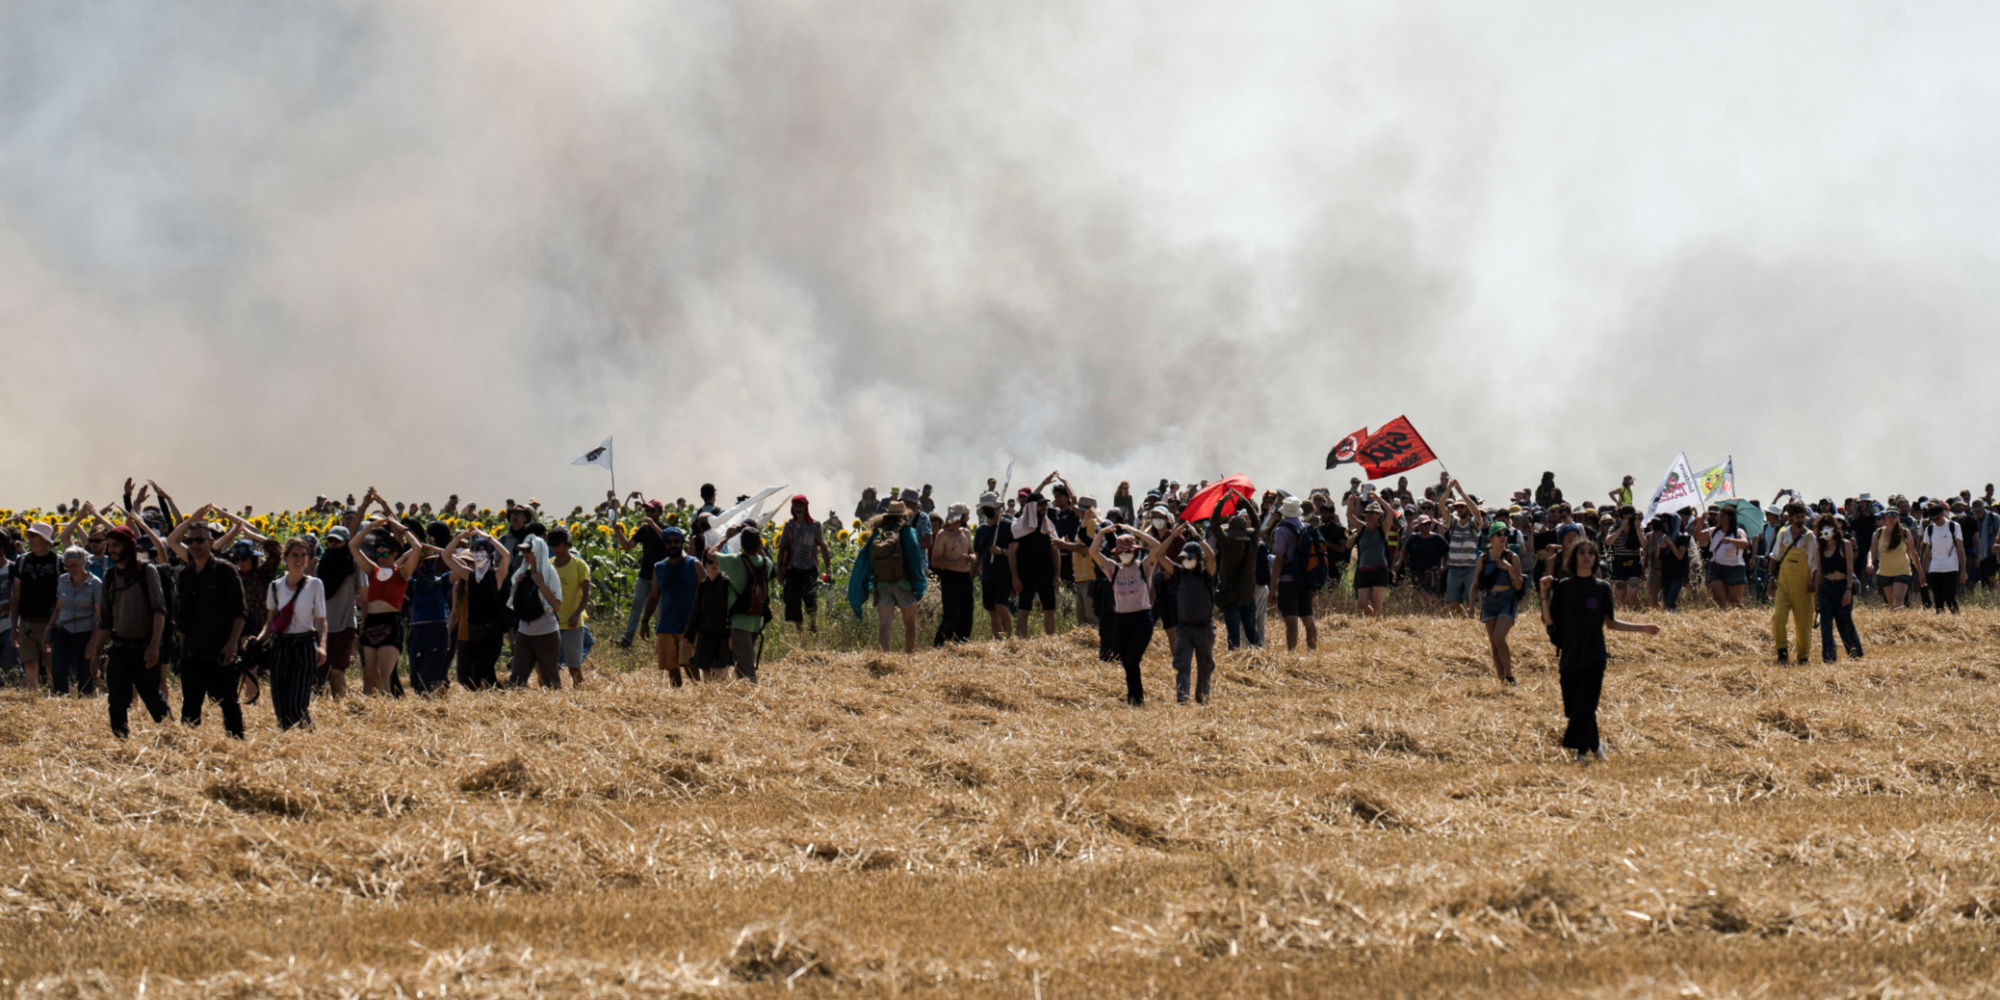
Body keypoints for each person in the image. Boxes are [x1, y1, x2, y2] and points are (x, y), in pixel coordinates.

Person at [1541, 542, 1661, 763]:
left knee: (1585, 704)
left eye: (1591, 553)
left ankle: (1581, 753)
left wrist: (1642, 628)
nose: (1586, 556)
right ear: (1574, 558)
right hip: (1569, 654)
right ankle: (1596, 746)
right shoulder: (1564, 587)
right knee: (1574, 708)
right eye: (1581, 553)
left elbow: (1611, 623)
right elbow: (1549, 621)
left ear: (1596, 559)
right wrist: (1543, 594)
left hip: (1595, 655)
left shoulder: (1602, 588)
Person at [87, 526, 172, 739]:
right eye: (109, 545)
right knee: (117, 700)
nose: (111, 550)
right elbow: (105, 620)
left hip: (145, 648)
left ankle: (172, 737)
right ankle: (121, 742)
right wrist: (97, 653)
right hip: (120, 648)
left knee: (152, 698)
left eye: (115, 545)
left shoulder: (147, 572)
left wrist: (154, 646)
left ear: (129, 546)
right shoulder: (109, 576)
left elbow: (159, 611)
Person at [167, 516, 247, 737]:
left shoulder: (226, 571)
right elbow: (183, 619)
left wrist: (232, 644)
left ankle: (237, 744)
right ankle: (190, 747)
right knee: (190, 705)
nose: (194, 545)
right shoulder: (185, 576)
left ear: (211, 542)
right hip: (192, 652)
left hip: (221, 651)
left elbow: (240, 613)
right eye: (190, 541)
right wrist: (182, 652)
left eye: (200, 540)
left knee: (228, 703)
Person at [1090, 521, 1169, 706]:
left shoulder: (1144, 567)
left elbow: (1157, 546)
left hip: (1141, 619)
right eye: (1121, 552)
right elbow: (1093, 552)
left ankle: (1137, 699)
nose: (1125, 555)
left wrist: (1135, 531)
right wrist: (1101, 533)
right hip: (1122, 620)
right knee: (1125, 661)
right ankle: (1133, 697)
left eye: (1128, 551)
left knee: (1133, 659)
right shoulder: (1114, 569)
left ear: (1135, 552)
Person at [256, 536, 328, 730]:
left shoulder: (315, 585)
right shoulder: (275, 587)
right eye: (295, 555)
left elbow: (321, 620)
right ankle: (288, 740)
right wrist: (258, 641)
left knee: (298, 704)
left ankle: (310, 735)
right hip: (281, 644)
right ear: (285, 559)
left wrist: (322, 646)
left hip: (305, 643)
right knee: (281, 704)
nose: (299, 559)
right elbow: (270, 623)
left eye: (303, 555)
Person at [349, 514, 424, 695]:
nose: (381, 557)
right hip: (372, 623)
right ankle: (373, 710)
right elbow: (353, 546)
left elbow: (417, 547)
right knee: (370, 676)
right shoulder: (372, 570)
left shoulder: (402, 573)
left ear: (394, 554)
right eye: (378, 553)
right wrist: (370, 526)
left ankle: (387, 708)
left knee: (383, 676)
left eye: (385, 554)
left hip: (391, 623)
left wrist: (402, 529)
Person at [848, 501, 928, 654]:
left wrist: (866, 585)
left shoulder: (878, 533)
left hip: (882, 584)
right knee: (910, 623)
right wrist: (919, 585)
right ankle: (909, 656)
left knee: (885, 625)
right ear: (904, 515)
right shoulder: (907, 531)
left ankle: (885, 659)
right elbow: (915, 559)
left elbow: (865, 561)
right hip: (904, 584)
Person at [441, 528, 509, 690]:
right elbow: (446, 556)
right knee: (472, 675)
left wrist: (490, 539)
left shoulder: (496, 576)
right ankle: (488, 697)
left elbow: (506, 556)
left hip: (492, 631)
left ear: (489, 554)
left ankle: (494, 697)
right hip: (473, 631)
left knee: (483, 671)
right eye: (475, 551)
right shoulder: (469, 576)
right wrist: (459, 538)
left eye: (482, 550)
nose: (478, 554)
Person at [638, 526, 702, 686]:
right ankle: (676, 696)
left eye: (676, 541)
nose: (673, 545)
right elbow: (653, 597)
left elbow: (708, 592)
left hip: (689, 625)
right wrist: (645, 621)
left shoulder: (694, 564)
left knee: (690, 663)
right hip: (666, 625)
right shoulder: (659, 568)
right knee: (671, 667)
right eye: (668, 542)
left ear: (682, 542)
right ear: (664, 544)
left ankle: (701, 694)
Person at [714, 523, 778, 681]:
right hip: (757, 620)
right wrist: (759, 545)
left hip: (740, 621)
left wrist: (726, 536)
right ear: (759, 543)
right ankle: (745, 689)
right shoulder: (766, 563)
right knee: (746, 659)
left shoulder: (735, 561)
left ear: (741, 544)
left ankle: (751, 692)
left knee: (745, 664)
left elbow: (710, 554)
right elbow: (770, 565)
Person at [1162, 528, 1218, 704]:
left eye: (1189, 557)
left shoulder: (1206, 575)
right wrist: (1172, 536)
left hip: (1204, 629)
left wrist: (1198, 537)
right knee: (1182, 666)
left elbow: (1212, 557)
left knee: (1205, 667)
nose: (1185, 560)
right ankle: (1182, 699)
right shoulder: (1179, 574)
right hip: (1184, 629)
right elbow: (1159, 556)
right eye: (1183, 557)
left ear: (1197, 558)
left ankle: (1202, 699)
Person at [506, 533, 564, 688]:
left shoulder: (550, 574)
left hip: (547, 634)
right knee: (516, 678)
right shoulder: (522, 575)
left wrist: (541, 585)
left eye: (528, 551)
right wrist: (517, 586)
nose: (525, 554)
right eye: (523, 551)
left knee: (550, 678)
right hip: (524, 633)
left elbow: (557, 606)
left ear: (538, 552)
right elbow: (515, 604)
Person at [405, 521, 457, 696]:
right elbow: (394, 571)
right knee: (416, 677)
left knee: (430, 675)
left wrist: (439, 551)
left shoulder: (442, 582)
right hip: (418, 632)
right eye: (422, 563)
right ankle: (424, 703)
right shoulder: (412, 585)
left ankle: (428, 703)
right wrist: (410, 554)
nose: (427, 566)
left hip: (437, 631)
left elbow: (461, 569)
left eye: (430, 562)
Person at [1008, 478, 1064, 638]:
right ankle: (1021, 643)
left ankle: (1050, 643)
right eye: (1040, 505)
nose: (1044, 507)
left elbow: (1055, 551)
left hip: (1046, 575)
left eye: (1045, 504)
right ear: (1032, 507)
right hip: (1025, 575)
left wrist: (1057, 574)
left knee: (1050, 610)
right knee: (1024, 610)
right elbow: (1012, 553)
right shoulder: (1018, 528)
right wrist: (1015, 578)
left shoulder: (1049, 526)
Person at [11, 521, 61, 694]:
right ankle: (32, 699)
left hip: (51, 623)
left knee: (51, 666)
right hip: (27, 622)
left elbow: (62, 597)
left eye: (33, 535)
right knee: (29, 663)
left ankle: (59, 698)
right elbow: (16, 596)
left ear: (45, 539)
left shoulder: (58, 562)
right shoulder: (22, 562)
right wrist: (14, 626)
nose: (29, 538)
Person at [614, 501, 670, 647]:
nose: (648, 513)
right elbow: (627, 546)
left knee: (662, 610)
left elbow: (668, 542)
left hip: (661, 576)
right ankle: (627, 640)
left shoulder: (666, 529)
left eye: (652, 511)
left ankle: (663, 641)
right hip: (644, 575)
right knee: (636, 605)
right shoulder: (643, 530)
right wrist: (618, 531)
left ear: (660, 512)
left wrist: (653, 525)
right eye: (647, 511)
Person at [1472, 523, 1524, 684]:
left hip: (1507, 599)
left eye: (1505, 534)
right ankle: (1502, 681)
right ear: (1491, 537)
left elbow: (1519, 584)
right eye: (1499, 534)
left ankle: (1509, 675)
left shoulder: (1512, 558)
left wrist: (1509, 569)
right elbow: (1475, 584)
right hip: (1489, 600)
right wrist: (1471, 606)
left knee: (1499, 636)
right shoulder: (1484, 558)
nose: (1503, 537)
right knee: (1494, 643)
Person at [1767, 502, 1816, 663]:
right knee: (1778, 617)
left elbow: (1815, 564)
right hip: (1784, 584)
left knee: (1803, 623)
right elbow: (1774, 558)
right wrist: (1771, 579)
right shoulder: (1783, 534)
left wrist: (1813, 582)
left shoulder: (1810, 538)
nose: (1800, 520)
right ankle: (1782, 651)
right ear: (1791, 517)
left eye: (1802, 517)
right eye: (1797, 517)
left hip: (1803, 587)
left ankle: (1803, 656)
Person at [1268, 496, 1319, 651]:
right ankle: (1312, 652)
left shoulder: (1281, 530)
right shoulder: (1306, 527)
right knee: (1308, 619)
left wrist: (1272, 588)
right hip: (1304, 579)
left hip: (1287, 580)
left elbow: (1279, 560)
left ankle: (1291, 654)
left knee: (1291, 621)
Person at [48, 547, 101, 696]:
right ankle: (61, 700)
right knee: (58, 669)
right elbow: (58, 608)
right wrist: (49, 628)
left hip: (86, 632)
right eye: (67, 566)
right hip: (64, 630)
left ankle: (85, 702)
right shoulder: (62, 580)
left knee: (85, 673)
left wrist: (93, 642)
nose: (69, 569)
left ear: (83, 562)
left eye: (73, 566)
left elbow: (99, 616)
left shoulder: (96, 584)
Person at [777, 495, 832, 635]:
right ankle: (800, 632)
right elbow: (782, 549)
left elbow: (823, 547)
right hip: (792, 569)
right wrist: (779, 570)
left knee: (810, 597)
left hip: (809, 568)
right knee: (792, 600)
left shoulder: (815, 525)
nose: (798, 509)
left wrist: (828, 569)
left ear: (806, 507)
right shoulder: (789, 526)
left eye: (800, 506)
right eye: (796, 506)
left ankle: (813, 625)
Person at [548, 526, 592, 688]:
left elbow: (586, 594)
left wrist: (577, 614)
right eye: (552, 546)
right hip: (551, 624)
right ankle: (552, 693)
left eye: (558, 546)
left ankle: (579, 692)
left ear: (567, 544)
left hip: (573, 624)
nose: (555, 550)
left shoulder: (580, 565)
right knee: (548, 666)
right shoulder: (548, 565)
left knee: (574, 666)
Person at [1815, 515, 1863, 662]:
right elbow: (1819, 573)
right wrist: (1816, 597)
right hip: (1826, 588)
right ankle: (1829, 658)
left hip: (1842, 587)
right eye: (1823, 527)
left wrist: (1848, 590)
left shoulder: (1844, 544)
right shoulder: (1820, 548)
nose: (1826, 529)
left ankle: (1855, 654)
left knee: (1845, 623)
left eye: (1829, 526)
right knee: (1826, 625)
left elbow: (1849, 569)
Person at [1212, 513, 1262, 648]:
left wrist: (1221, 503)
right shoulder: (1252, 546)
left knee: (1233, 635)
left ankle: (1234, 656)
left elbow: (1215, 524)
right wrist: (1246, 503)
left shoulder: (1227, 546)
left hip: (1230, 596)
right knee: (1252, 633)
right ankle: (1259, 656)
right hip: (1248, 595)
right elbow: (1257, 523)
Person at [930, 503, 976, 645]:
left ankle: (962, 643)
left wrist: (972, 558)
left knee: (967, 614)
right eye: (966, 515)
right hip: (950, 578)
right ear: (960, 516)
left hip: (965, 577)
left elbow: (972, 552)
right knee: (952, 615)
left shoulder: (965, 533)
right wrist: (955, 563)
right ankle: (940, 644)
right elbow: (935, 561)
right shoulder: (943, 535)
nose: (968, 518)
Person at [973, 494, 1015, 640]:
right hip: (987, 575)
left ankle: (1009, 639)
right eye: (985, 508)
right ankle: (998, 640)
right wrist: (972, 575)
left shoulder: (1008, 526)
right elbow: (977, 556)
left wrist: (1002, 551)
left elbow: (1016, 552)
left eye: (990, 507)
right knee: (992, 609)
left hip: (1004, 573)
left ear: (998, 507)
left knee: (1000, 604)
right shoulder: (980, 530)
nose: (988, 510)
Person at [1693, 506, 1751, 609]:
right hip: (1717, 567)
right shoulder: (1713, 531)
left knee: (1735, 602)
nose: (1720, 517)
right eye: (1720, 515)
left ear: (1730, 517)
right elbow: (1697, 536)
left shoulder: (1738, 532)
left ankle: (1740, 618)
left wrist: (1732, 540)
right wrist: (1702, 520)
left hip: (1735, 568)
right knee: (1719, 600)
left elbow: (1745, 544)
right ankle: (1722, 617)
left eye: (1723, 515)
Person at [1918, 501, 1967, 614]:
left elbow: (1960, 549)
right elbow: (1927, 553)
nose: (1936, 521)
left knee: (1950, 598)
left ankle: (1957, 619)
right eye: (1933, 519)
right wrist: (1923, 573)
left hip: (1951, 568)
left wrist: (1963, 571)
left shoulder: (1954, 527)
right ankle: (1940, 621)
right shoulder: (1929, 529)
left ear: (1943, 514)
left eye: (1937, 518)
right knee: (1938, 601)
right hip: (1935, 569)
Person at [1346, 496, 1392, 618]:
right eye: (1367, 512)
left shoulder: (1382, 529)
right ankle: (1375, 619)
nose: (1368, 515)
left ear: (1378, 515)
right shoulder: (1362, 528)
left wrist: (1377, 498)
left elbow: (1391, 513)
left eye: (1372, 512)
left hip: (1379, 569)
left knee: (1376, 600)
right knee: (1362, 603)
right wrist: (1351, 502)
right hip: (1364, 570)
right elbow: (1350, 516)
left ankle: (1378, 624)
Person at [1441, 492, 1484, 618]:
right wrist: (1449, 488)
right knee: (1453, 601)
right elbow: (1441, 506)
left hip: (1470, 567)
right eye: (1457, 507)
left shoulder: (1473, 525)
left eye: (1462, 506)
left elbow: (1477, 513)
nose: (1459, 509)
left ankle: (1471, 621)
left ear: (1468, 508)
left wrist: (1460, 492)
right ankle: (1467, 620)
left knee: (1470, 601)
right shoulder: (1453, 523)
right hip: (1454, 567)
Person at [1869, 510, 1914, 610]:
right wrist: (1869, 563)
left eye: (1894, 514)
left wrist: (1920, 571)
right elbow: (1872, 551)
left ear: (1898, 517)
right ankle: (1896, 618)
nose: (1891, 517)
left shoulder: (1905, 532)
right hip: (1885, 571)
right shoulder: (1879, 533)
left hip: (1902, 570)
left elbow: (1913, 553)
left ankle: (1900, 619)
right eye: (1889, 514)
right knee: (1891, 603)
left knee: (1898, 600)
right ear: (1885, 517)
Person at [1604, 506, 1647, 609]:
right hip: (1619, 562)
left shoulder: (1638, 528)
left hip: (1634, 562)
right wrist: (1621, 528)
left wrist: (1637, 528)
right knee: (1620, 595)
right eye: (1626, 515)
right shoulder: (1614, 528)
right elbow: (1608, 542)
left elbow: (1645, 546)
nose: (1629, 517)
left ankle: (1636, 612)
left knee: (1631, 594)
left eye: (1631, 514)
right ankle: (1624, 614)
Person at [1649, 514, 1691, 611]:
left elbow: (1680, 555)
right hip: (1666, 574)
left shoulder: (1682, 537)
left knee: (1670, 601)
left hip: (1678, 574)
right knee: (1666, 601)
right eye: (1664, 523)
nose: (1665, 525)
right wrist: (1659, 547)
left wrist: (1671, 543)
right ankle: (1671, 617)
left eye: (1668, 523)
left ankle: (1676, 617)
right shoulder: (1663, 538)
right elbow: (1655, 557)